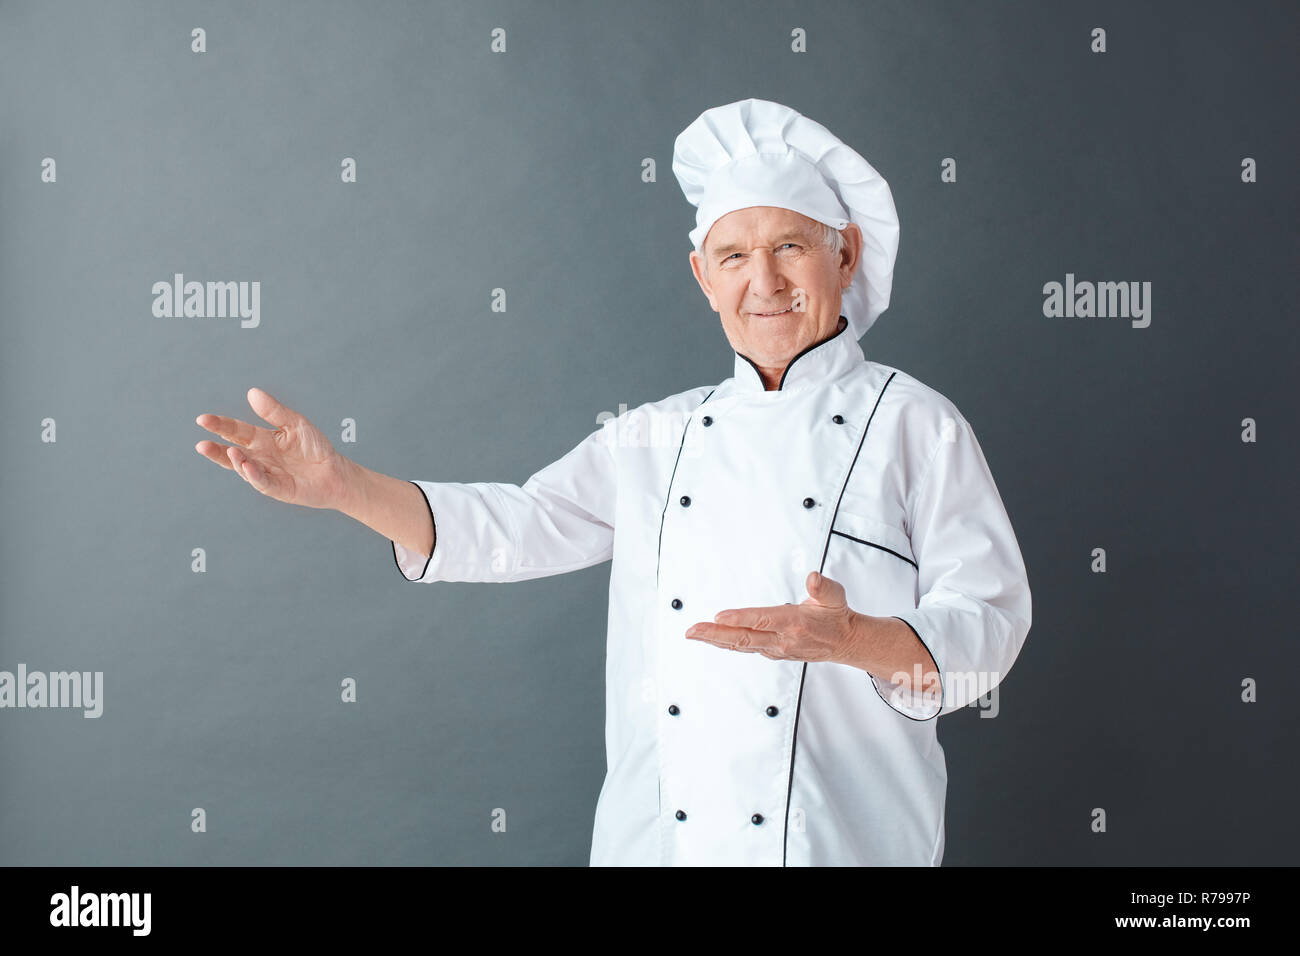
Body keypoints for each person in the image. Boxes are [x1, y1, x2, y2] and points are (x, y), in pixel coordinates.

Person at [195, 98, 1032, 866]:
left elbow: (986, 635)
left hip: (847, 844)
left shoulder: (917, 423)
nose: (764, 281)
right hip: (660, 844)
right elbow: (518, 525)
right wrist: (344, 486)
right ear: (704, 279)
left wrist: (855, 640)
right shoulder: (652, 436)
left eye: (789, 246)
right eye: (733, 255)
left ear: (842, 256)